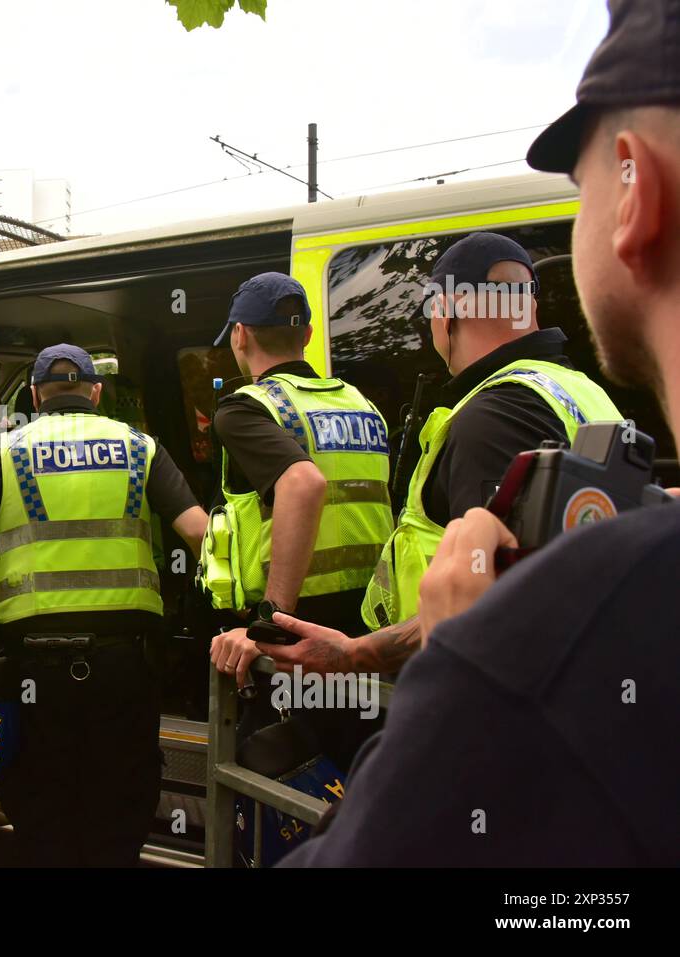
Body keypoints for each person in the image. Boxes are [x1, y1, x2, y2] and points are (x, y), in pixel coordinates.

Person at [280, 0, 680, 866]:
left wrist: (406, 667)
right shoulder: (579, 389)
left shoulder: (490, 411)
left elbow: (503, 619)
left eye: (582, 192)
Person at [255, 232, 622, 680]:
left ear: (447, 310)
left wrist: (355, 654)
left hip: (483, 698)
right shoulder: (579, 390)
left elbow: (495, 601)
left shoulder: (492, 418)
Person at [0, 344, 208, 866]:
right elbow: (199, 532)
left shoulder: (5, 453)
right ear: (97, 393)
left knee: (42, 814)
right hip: (126, 667)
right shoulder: (141, 448)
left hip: (35, 673)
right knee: (119, 808)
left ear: (35, 396)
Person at [205, 274, 394, 703]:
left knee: (288, 762)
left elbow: (303, 482)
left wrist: (272, 621)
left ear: (240, 336)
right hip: (368, 627)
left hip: (298, 641)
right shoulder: (362, 405)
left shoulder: (245, 408)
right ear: (306, 334)